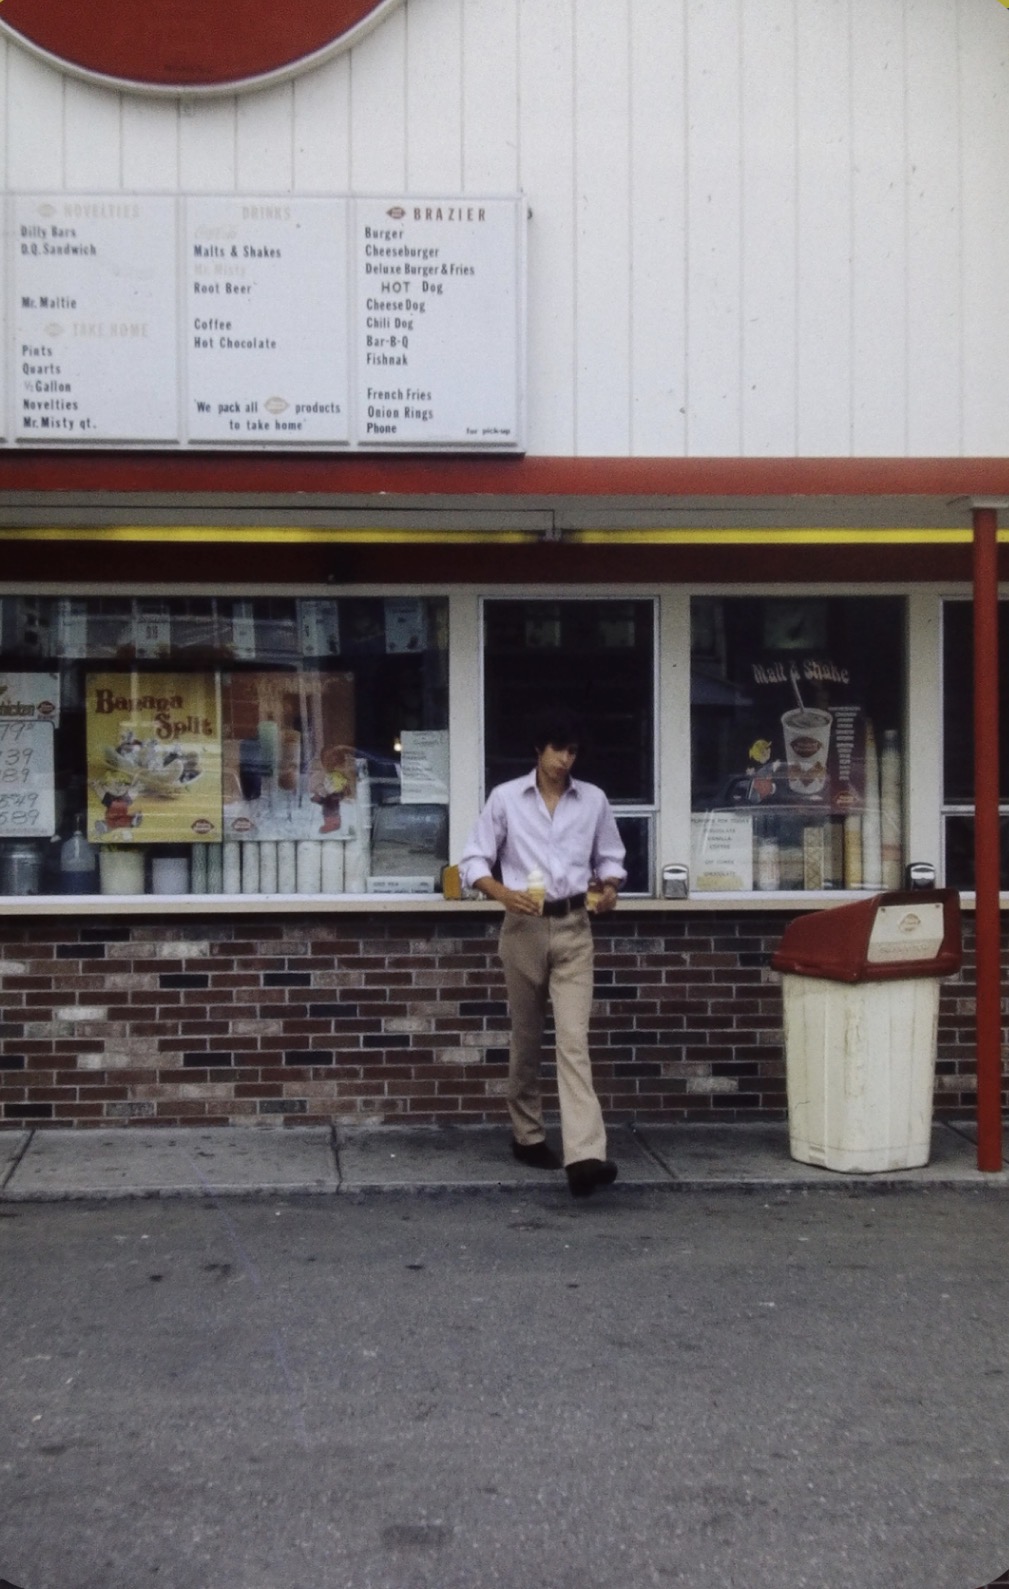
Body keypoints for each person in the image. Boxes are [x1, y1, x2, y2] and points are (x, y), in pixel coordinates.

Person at [459, 708, 627, 1198]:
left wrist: (611, 886)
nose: (564, 760)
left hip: (576, 925)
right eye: (558, 750)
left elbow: (610, 856)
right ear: (539, 749)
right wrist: (499, 892)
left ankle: (585, 1156)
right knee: (527, 1035)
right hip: (523, 926)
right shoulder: (507, 798)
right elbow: (473, 857)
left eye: (572, 752)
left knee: (574, 1039)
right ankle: (527, 1134)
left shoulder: (592, 799)